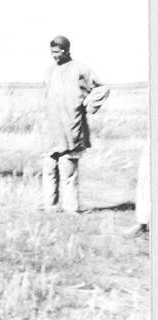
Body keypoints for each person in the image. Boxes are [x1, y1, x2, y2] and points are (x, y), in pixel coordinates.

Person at [39, 35, 109, 214]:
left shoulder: (81, 70)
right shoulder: (49, 72)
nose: (54, 56)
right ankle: (50, 206)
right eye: (52, 52)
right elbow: (45, 98)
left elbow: (102, 88)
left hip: (72, 127)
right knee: (49, 167)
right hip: (51, 129)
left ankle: (70, 209)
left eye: (57, 52)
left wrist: (89, 104)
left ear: (66, 50)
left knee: (68, 169)